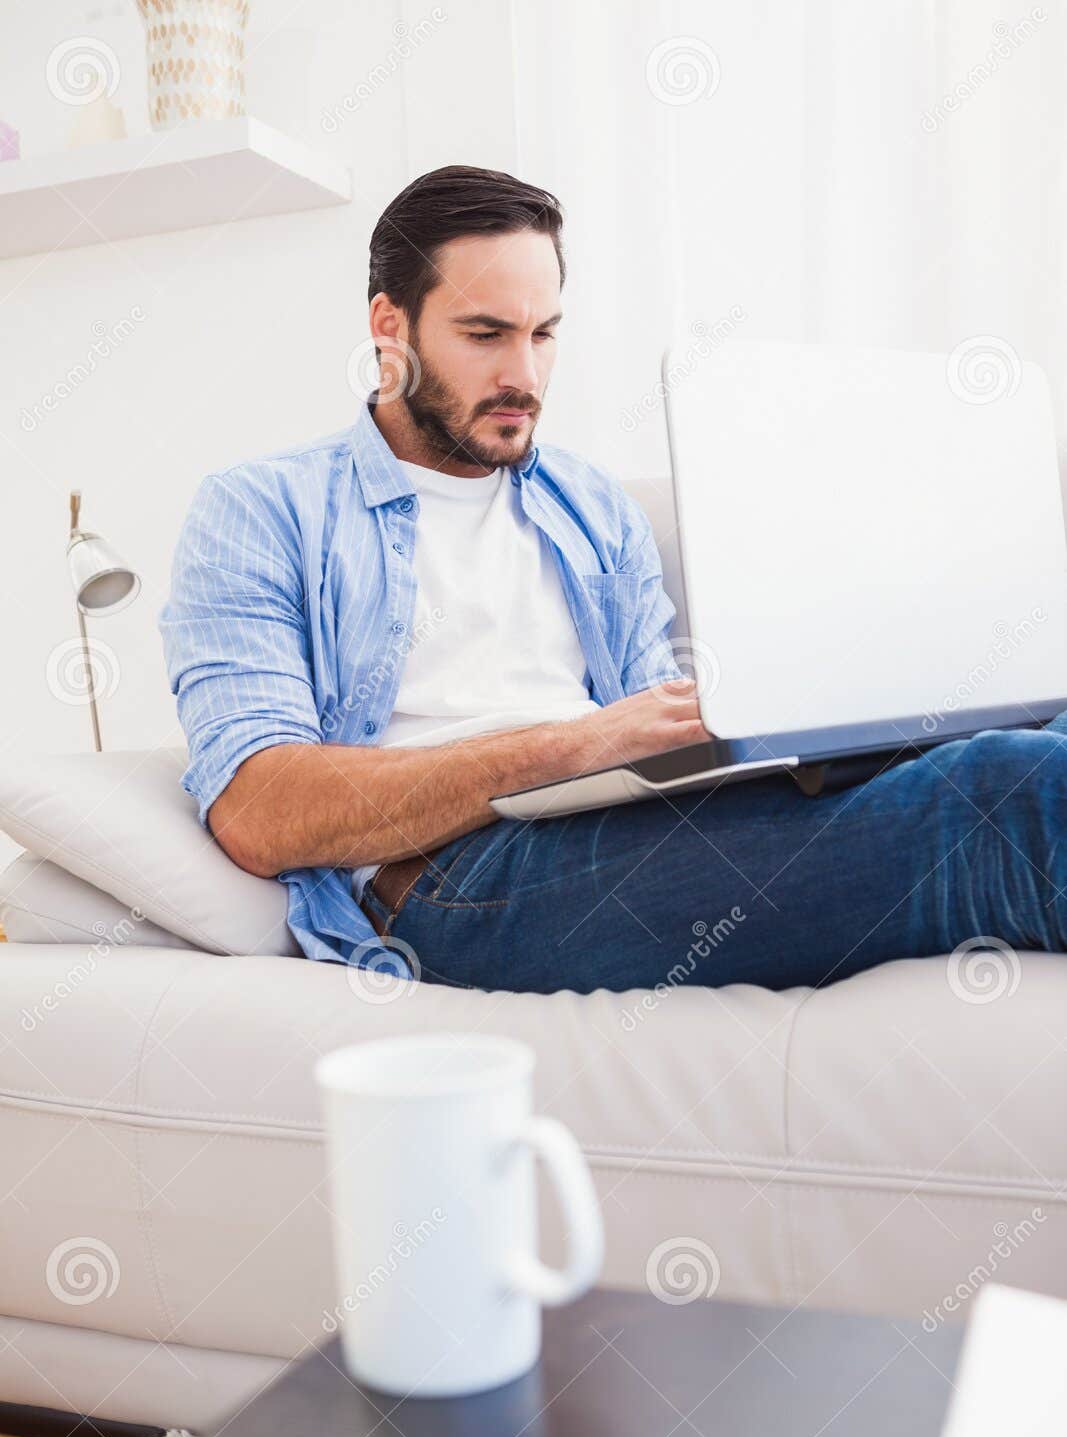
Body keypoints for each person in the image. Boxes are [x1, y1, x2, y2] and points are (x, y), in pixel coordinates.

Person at [160, 165, 1067, 993]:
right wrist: (571, 747)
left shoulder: (590, 504)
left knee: (1036, 724)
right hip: (453, 880)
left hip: (621, 823)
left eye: (544, 333)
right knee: (1005, 796)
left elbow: (648, 737)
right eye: (484, 334)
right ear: (389, 329)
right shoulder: (263, 509)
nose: (524, 373)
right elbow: (257, 810)